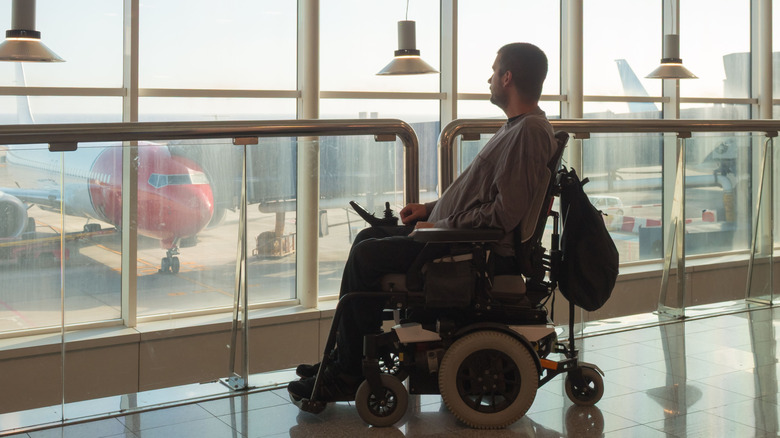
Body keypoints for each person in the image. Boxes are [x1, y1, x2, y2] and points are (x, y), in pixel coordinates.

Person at [288, 42, 558, 403]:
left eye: (494, 71)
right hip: (451, 235)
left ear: (508, 78)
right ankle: (341, 358)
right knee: (367, 236)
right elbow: (483, 197)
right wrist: (430, 211)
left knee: (366, 257)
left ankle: (348, 373)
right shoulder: (517, 128)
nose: (489, 78)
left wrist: (441, 226)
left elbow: (504, 214)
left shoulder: (527, 132)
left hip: (465, 246)